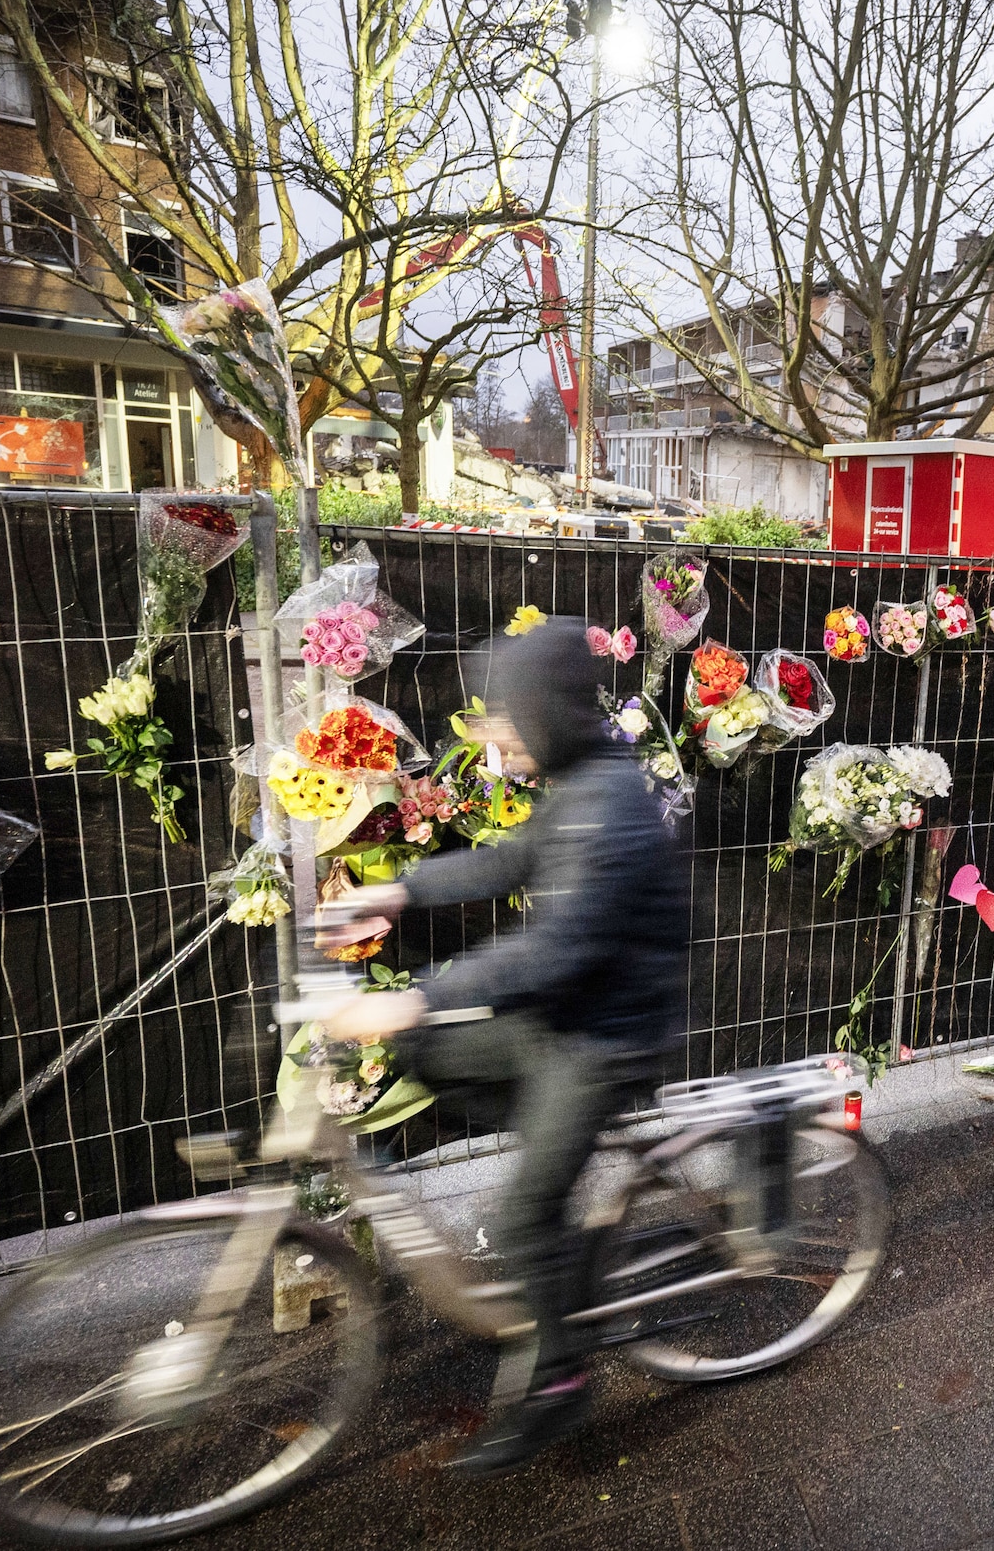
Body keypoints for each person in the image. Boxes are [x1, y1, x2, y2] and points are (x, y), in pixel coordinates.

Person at [319, 614, 687, 1474]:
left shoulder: (610, 811)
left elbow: (553, 950)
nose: (496, 734)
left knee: (518, 1213)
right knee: (432, 1055)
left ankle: (559, 1379)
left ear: (550, 713)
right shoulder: (580, 783)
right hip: (566, 1013)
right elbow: (509, 859)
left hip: (605, 1032)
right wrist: (399, 892)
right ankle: (550, 1186)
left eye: (509, 716)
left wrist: (415, 998)